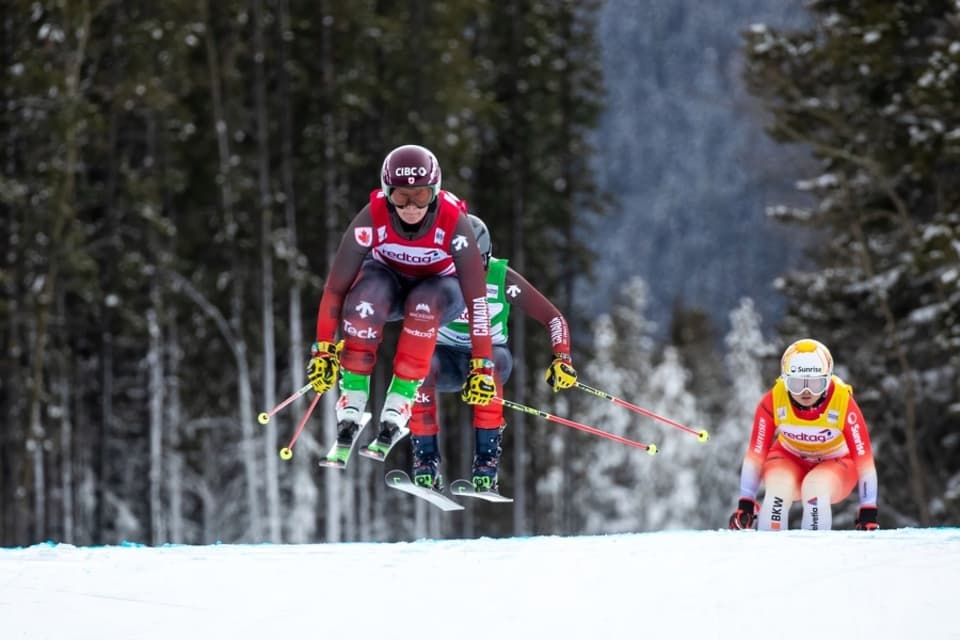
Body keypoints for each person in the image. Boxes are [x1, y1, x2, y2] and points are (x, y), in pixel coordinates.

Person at [307, 145, 497, 465]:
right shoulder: (371, 218)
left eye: (420, 196)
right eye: (400, 196)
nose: (410, 207)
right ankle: (352, 401)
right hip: (389, 285)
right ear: (386, 193)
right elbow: (335, 289)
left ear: (434, 192)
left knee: (423, 304)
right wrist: (324, 348)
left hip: (441, 291)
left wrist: (483, 365)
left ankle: (398, 407)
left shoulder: (454, 222)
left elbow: (478, 302)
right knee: (365, 298)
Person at [406, 214, 577, 491]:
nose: (468, 273)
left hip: (491, 356)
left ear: (487, 256)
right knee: (420, 366)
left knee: (493, 365)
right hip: (446, 358)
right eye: (457, 264)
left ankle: (486, 463)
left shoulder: (501, 277)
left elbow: (554, 318)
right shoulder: (435, 276)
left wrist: (563, 358)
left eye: (476, 264)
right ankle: (425, 459)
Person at [728, 338, 879, 531]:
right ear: (785, 380)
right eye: (797, 384)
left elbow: (864, 462)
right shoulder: (774, 399)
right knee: (776, 493)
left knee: (815, 488)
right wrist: (746, 504)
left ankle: (815, 554)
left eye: (815, 384)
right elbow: (755, 455)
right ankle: (767, 553)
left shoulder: (842, 402)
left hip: (836, 463)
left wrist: (868, 510)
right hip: (788, 457)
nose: (806, 392)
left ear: (828, 379)